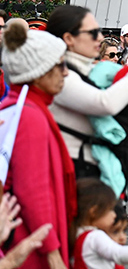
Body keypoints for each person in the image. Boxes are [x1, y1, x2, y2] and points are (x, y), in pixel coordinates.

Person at [46, 5, 128, 178]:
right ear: (69, 38)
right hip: (76, 174)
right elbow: (105, 104)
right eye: (92, 32)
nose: (100, 38)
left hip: (97, 172)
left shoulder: (88, 70)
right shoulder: (61, 75)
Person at [1, 20, 73, 269]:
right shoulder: (30, 116)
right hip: (29, 245)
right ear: (40, 70)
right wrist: (52, 253)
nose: (65, 72)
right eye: (60, 65)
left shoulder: (13, 109)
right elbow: (33, 191)